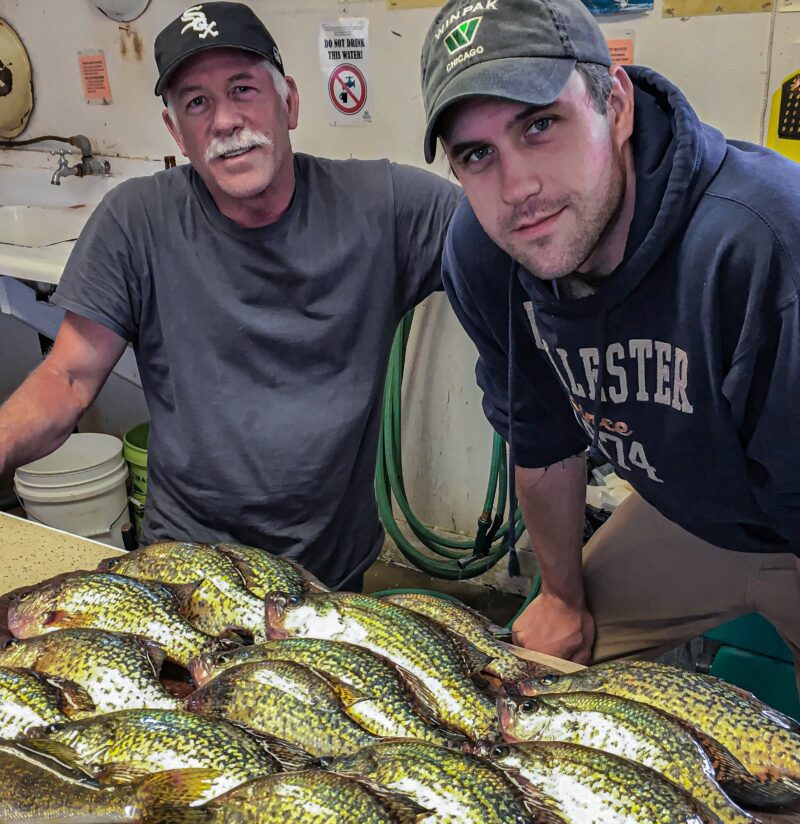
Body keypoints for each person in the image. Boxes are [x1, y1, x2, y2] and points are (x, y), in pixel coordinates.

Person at [0, 2, 460, 590]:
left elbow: (509, 243)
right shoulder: (136, 221)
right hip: (187, 570)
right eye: (196, 102)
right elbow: (67, 377)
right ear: (176, 131)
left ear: (289, 102)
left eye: (243, 89)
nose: (224, 120)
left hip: (327, 576)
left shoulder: (385, 207)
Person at [420, 0, 800, 675]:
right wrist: (564, 599)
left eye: (540, 125)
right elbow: (540, 437)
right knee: (526, 681)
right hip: (693, 513)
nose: (518, 189)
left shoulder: (759, 244)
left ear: (615, 106)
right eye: (477, 154)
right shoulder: (486, 252)